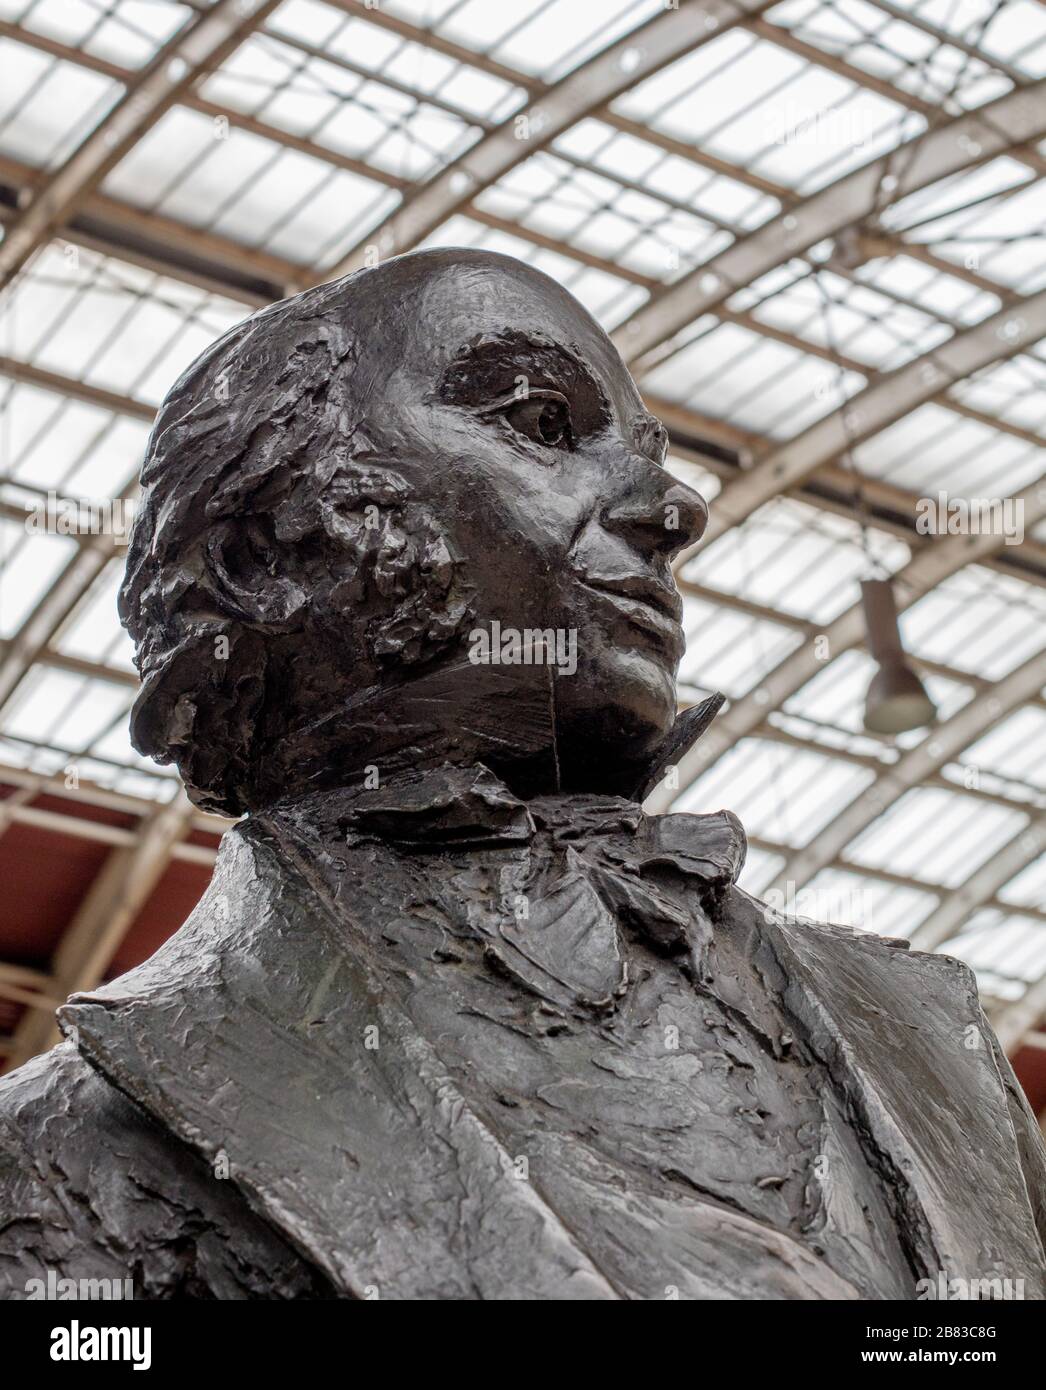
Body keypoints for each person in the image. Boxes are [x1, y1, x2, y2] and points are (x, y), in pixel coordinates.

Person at [1, 249, 1043, 1300]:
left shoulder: (927, 1032)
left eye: (646, 452)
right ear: (263, 554)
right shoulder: (62, 1154)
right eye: (542, 420)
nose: (676, 509)